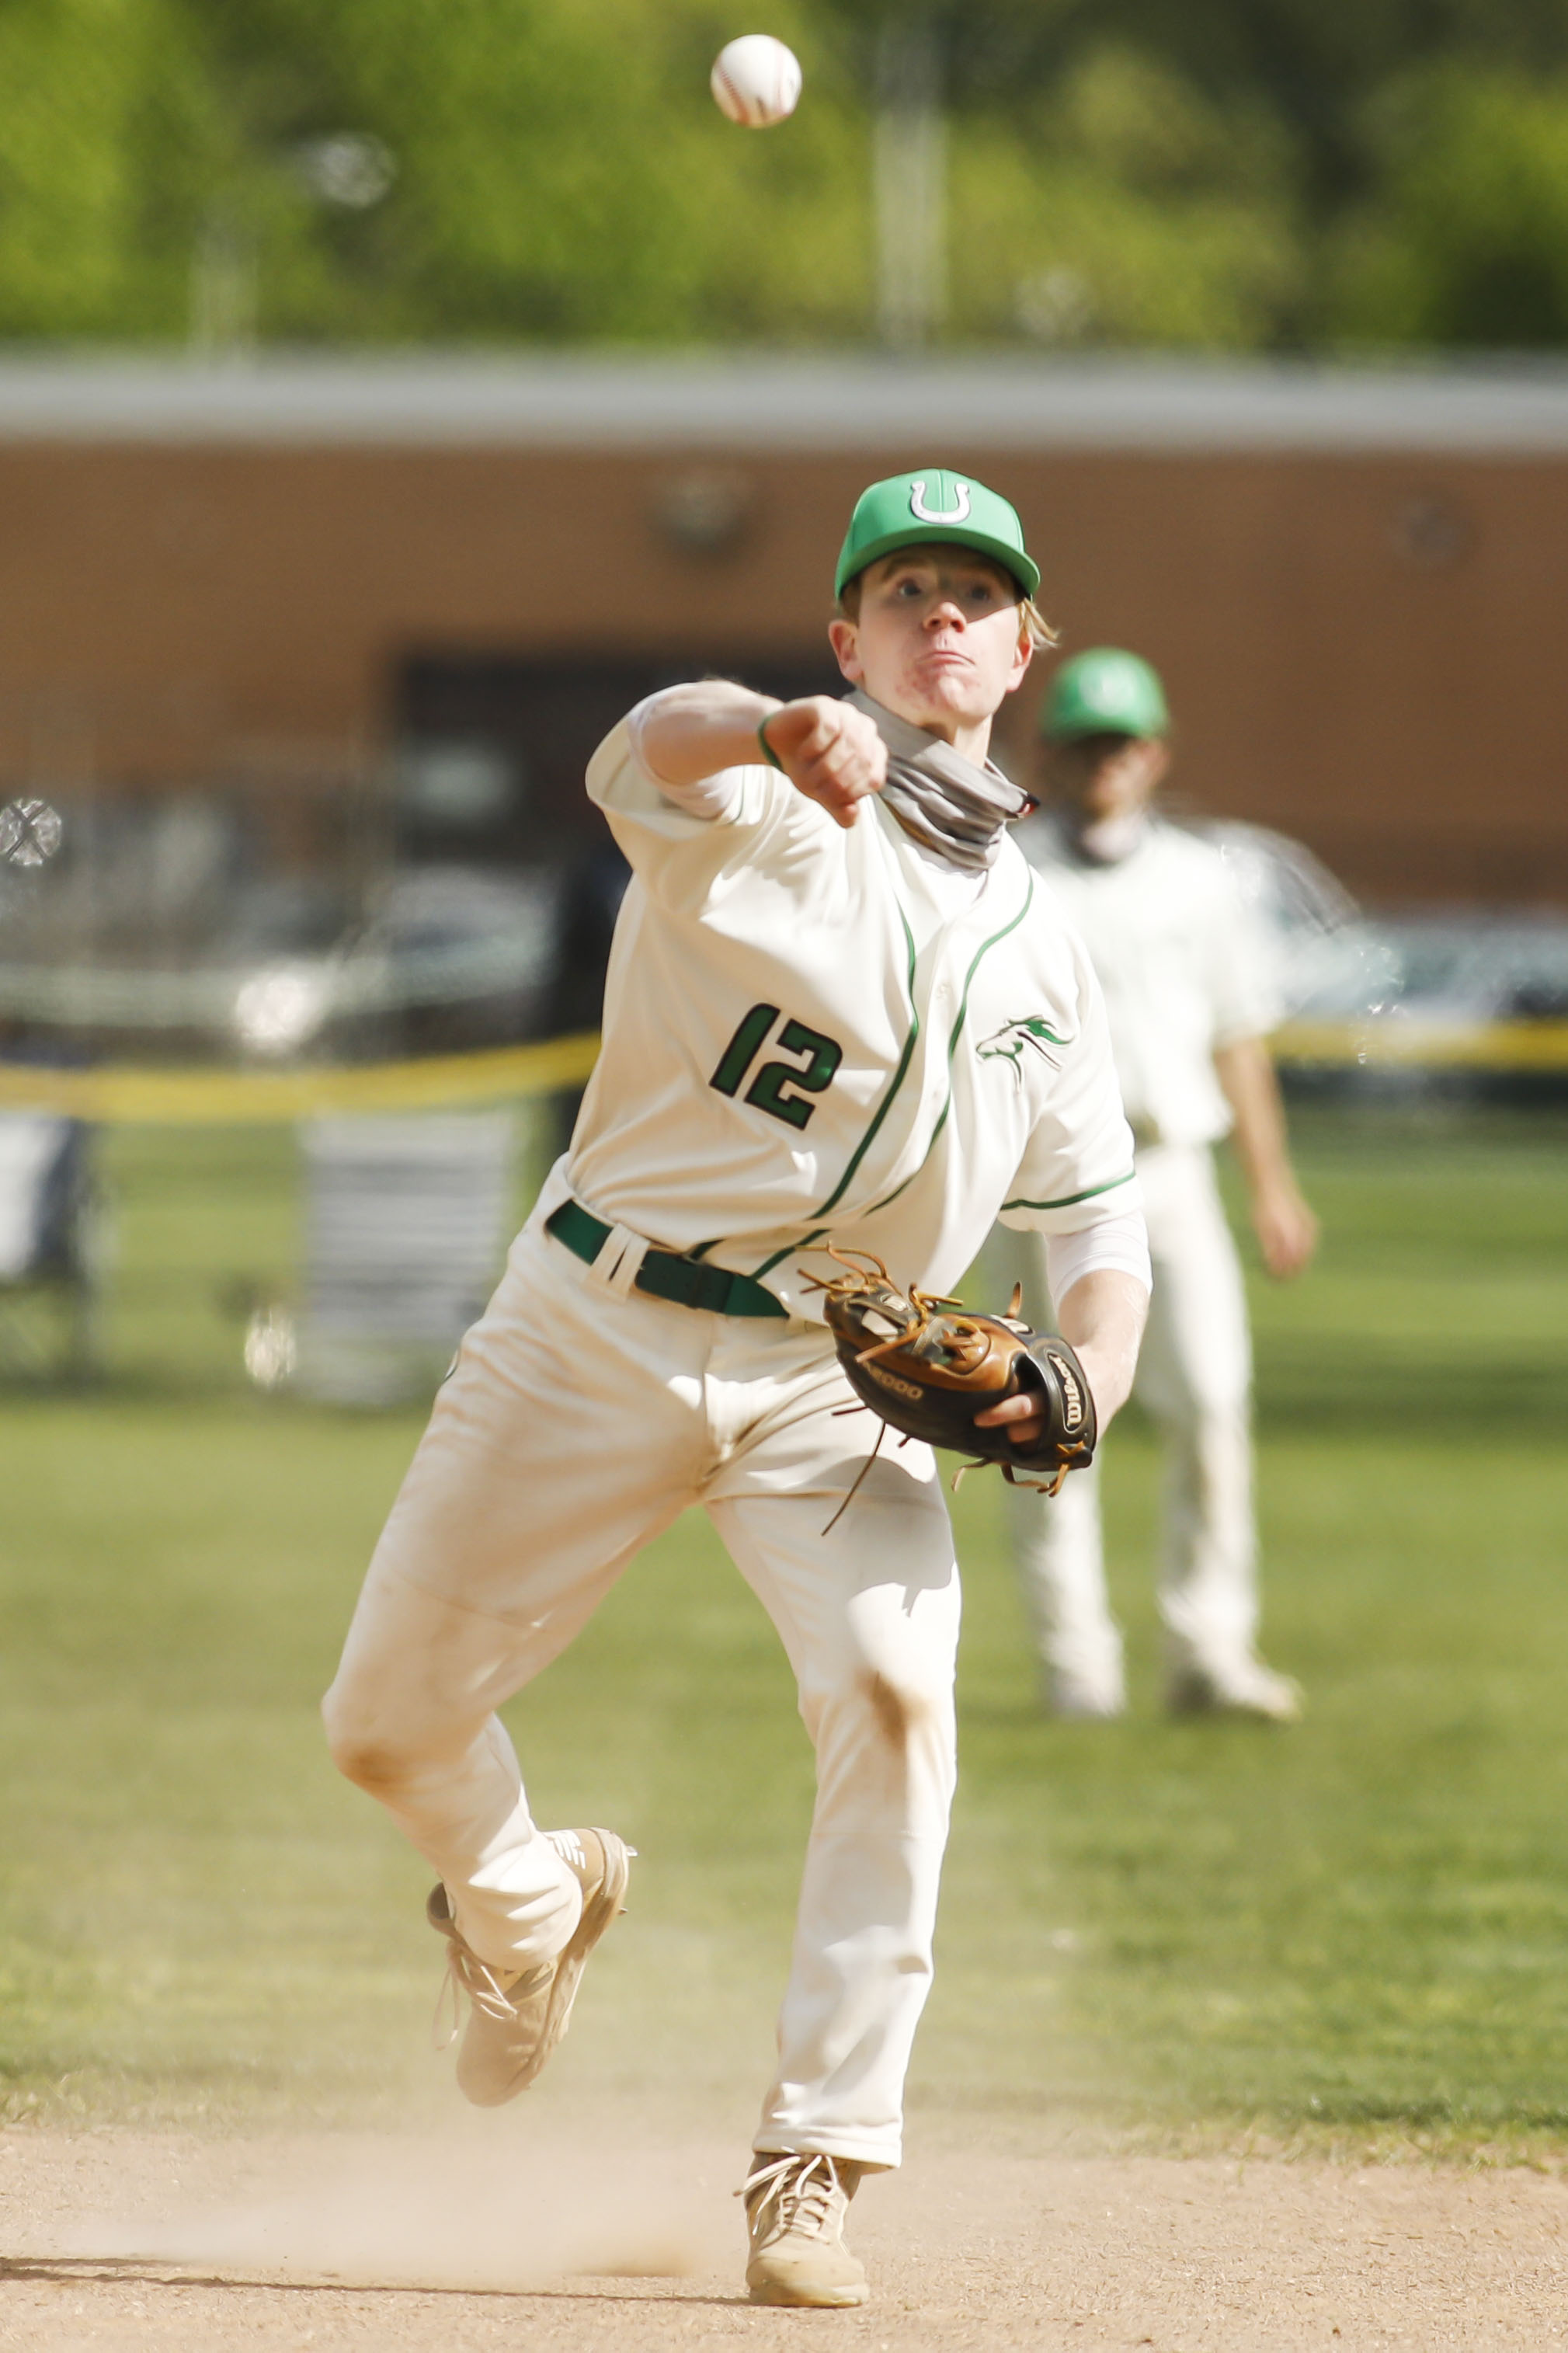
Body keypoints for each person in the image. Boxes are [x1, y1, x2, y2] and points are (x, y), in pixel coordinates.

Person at [322, 475, 1151, 2310]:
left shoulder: (1047, 959)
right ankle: (529, 1907)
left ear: (1026, 648)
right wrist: (776, 728)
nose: (942, 617)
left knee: (894, 1701)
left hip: (841, 1379)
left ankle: (815, 2161)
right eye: (903, 592)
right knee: (380, 1727)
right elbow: (645, 738)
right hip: (590, 1325)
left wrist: (1084, 1381)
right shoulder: (766, 801)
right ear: (845, 640)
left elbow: (1098, 1224)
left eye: (976, 596)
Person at [992, 647, 1317, 1724]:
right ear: (1053, 753)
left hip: (1167, 1166)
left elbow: (1238, 1039)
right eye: (1085, 743)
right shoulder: (1008, 872)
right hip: (1037, 1179)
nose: (1104, 764)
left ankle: (1211, 1647)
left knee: (1214, 1403)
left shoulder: (1201, 880)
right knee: (1043, 1420)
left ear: (1156, 754)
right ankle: (1075, 1662)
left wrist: (1272, 1186)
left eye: (1122, 744)